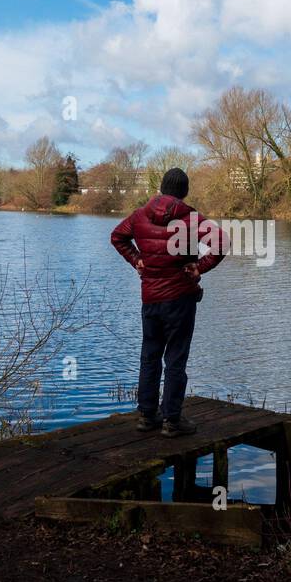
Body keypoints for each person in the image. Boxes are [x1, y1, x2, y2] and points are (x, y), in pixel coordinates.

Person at [110, 168, 224, 436]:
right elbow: (221, 242)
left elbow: (118, 236)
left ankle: (147, 417)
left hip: (150, 298)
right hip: (180, 300)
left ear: (161, 189)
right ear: (184, 192)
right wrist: (199, 268)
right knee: (175, 359)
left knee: (149, 357)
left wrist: (136, 259)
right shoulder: (190, 218)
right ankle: (172, 421)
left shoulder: (139, 215)